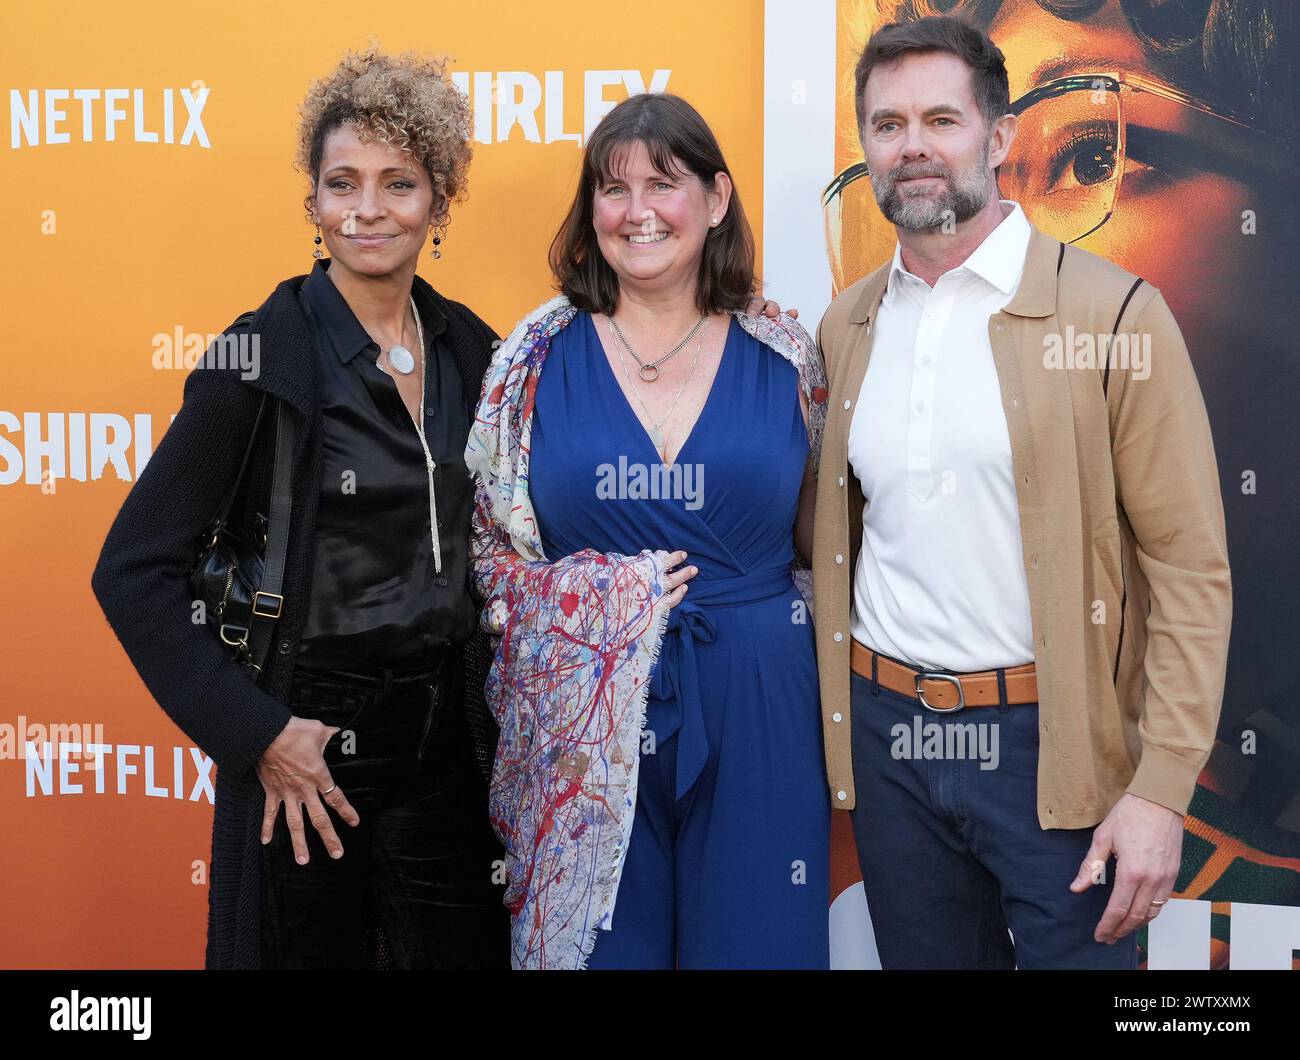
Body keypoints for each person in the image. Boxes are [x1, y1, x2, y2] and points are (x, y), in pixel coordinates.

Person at [811, 15, 1231, 968]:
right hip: (893, 747)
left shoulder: (1115, 314)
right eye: (886, 125)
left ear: (998, 138)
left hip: (1055, 752)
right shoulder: (849, 324)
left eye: (941, 119)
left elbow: (1190, 570)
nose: (912, 146)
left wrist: (1162, 792)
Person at [90, 45, 510, 969]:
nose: (368, 209)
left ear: (440, 202)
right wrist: (259, 735)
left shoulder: (472, 350)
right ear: (312, 204)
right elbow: (131, 571)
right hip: (309, 758)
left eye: (399, 183)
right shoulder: (261, 360)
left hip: (447, 758)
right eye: (342, 183)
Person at [465, 92, 830, 969]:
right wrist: (600, 601)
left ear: (716, 197)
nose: (636, 213)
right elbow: (487, 553)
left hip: (761, 709)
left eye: (662, 184)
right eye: (611, 188)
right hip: (582, 731)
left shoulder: (789, 353)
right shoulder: (533, 357)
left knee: (759, 952)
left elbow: (830, 544)